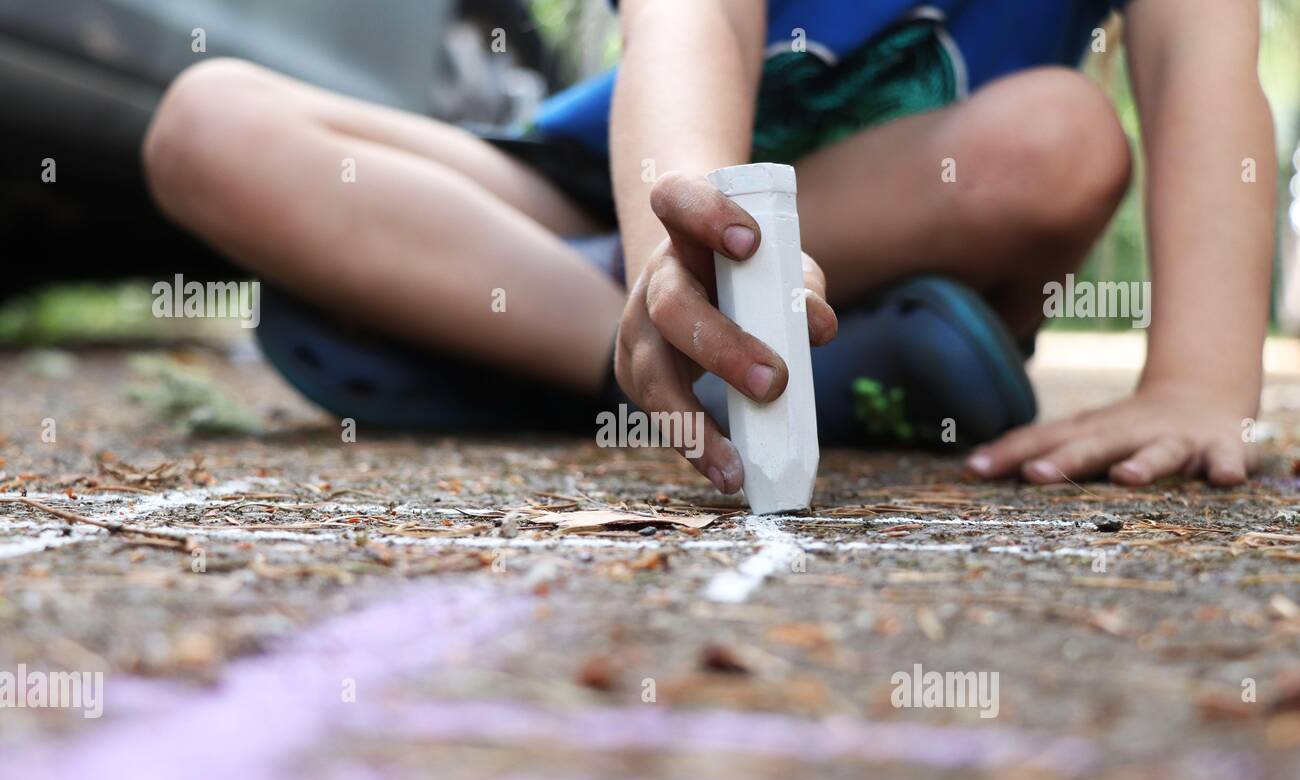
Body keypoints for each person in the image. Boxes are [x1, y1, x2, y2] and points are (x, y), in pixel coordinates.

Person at [141, 0, 1275, 495]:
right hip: (626, 198)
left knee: (1062, 139)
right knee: (209, 122)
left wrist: (1196, 380)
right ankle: (646, 341)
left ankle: (527, 329)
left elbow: (1198, 65)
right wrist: (667, 248)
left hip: (878, 225)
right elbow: (690, 20)